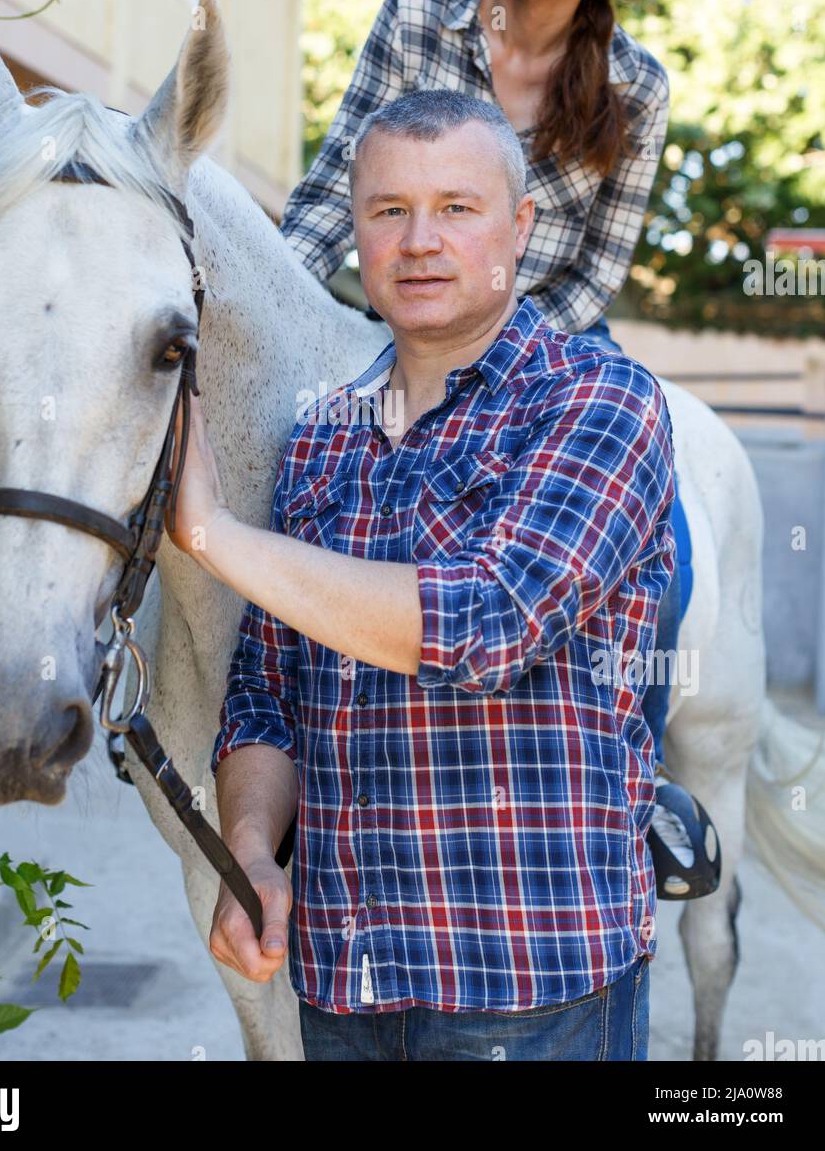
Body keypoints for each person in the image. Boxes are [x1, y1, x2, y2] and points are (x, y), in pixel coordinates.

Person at [166, 89, 672, 1060]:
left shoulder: (596, 401)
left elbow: (488, 622)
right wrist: (248, 847)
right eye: (387, 210)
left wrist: (212, 532)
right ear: (354, 227)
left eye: (456, 207)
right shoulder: (318, 441)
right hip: (345, 986)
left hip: (531, 994)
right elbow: (266, 699)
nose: (418, 240)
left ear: (516, 227)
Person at [275, 0, 719, 899]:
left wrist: (484, 365)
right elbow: (341, 184)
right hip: (389, 323)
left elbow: (594, 268)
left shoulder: (637, 87)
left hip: (549, 338)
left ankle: (636, 776)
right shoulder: (414, 15)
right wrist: (285, 303)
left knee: (655, 537)